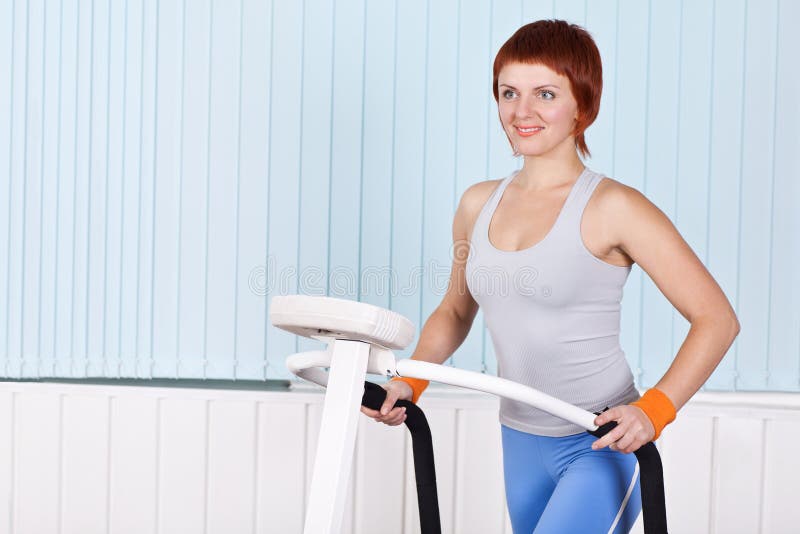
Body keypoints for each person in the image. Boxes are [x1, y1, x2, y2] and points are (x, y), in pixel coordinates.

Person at [361, 19, 739, 533]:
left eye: (545, 93)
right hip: (519, 439)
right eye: (509, 93)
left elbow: (716, 319)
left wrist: (654, 409)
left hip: (599, 442)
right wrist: (409, 382)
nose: (522, 111)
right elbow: (454, 311)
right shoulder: (477, 203)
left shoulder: (615, 207)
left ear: (583, 104)